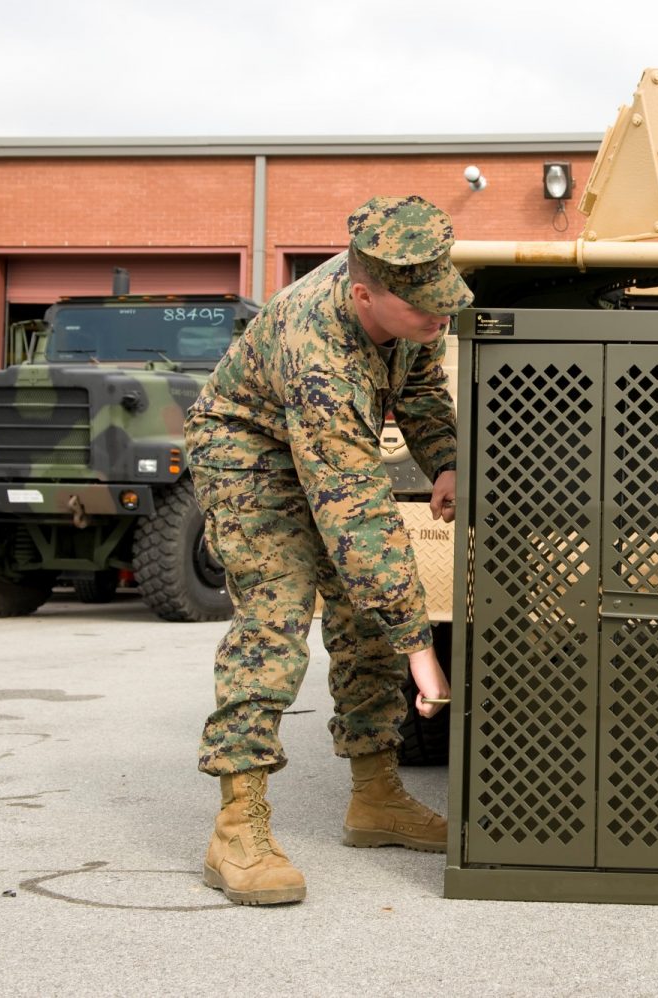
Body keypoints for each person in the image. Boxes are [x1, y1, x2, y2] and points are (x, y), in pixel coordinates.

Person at [184, 194, 472, 906]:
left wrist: (445, 461)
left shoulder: (412, 302)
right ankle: (236, 827)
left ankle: (376, 798)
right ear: (365, 294)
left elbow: (422, 388)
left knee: (364, 615)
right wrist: (420, 647)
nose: (440, 317)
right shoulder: (319, 351)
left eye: (444, 300)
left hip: (321, 446)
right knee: (276, 616)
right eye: (425, 308)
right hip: (248, 452)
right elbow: (358, 513)